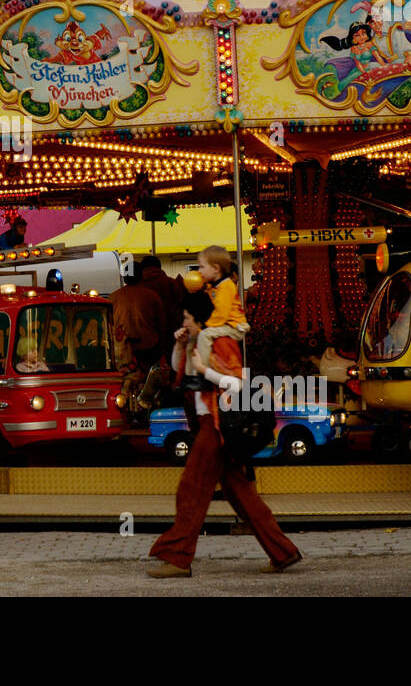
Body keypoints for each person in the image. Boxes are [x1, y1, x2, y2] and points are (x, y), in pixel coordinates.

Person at [148, 292, 301, 578]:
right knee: (240, 493)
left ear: (199, 320)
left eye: (187, 318)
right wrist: (180, 346)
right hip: (210, 425)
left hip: (215, 426)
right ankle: (283, 551)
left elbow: (237, 383)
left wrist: (206, 370)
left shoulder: (220, 343)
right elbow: (179, 376)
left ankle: (178, 557)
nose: (183, 322)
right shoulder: (198, 342)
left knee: (191, 490)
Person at [193, 245, 249, 368]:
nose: (199, 271)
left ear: (216, 268)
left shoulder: (226, 287)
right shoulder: (214, 286)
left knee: (205, 335)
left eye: (202, 267)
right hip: (226, 324)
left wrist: (205, 326)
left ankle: (202, 369)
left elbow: (221, 314)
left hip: (235, 326)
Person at [109, 269, 165, 372]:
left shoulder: (113, 297)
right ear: (141, 277)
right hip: (148, 347)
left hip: (122, 349)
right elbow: (162, 325)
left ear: (124, 278)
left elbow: (108, 325)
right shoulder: (152, 296)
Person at [139, 255, 186, 337]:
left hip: (144, 333)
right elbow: (180, 306)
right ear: (159, 267)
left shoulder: (137, 286)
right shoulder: (171, 282)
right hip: (169, 333)